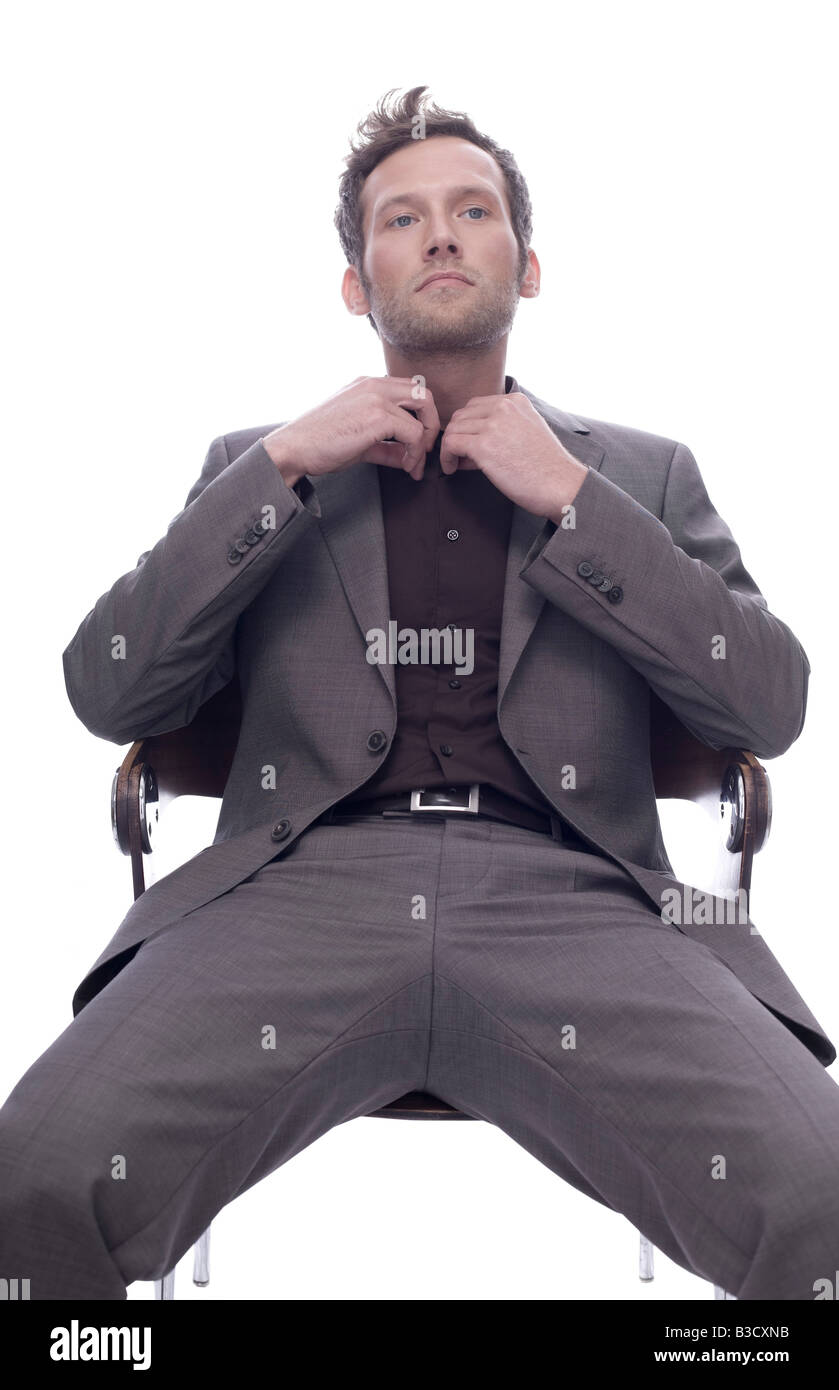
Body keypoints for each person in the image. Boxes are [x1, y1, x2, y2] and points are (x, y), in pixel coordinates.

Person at [1, 86, 837, 1301]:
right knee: (32, 1181)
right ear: (357, 283)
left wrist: (575, 501)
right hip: (293, 896)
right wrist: (280, 467)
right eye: (400, 218)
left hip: (579, 901)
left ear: (526, 264)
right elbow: (109, 687)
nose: (440, 233)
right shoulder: (259, 464)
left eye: (472, 209)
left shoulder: (642, 473)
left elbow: (765, 708)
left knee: (821, 1203)